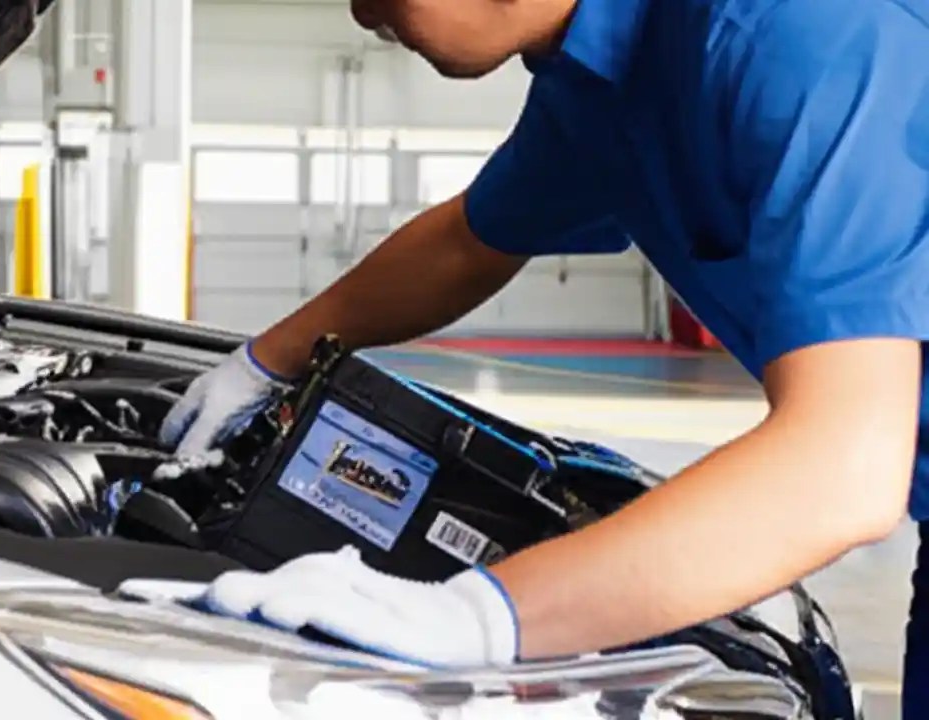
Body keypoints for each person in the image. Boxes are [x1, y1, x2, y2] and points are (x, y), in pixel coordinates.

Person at [157, 0, 929, 714]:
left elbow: (843, 472)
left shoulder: (799, 33)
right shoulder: (605, 77)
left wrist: (484, 616)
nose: (363, 12)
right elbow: (471, 240)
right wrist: (267, 361)